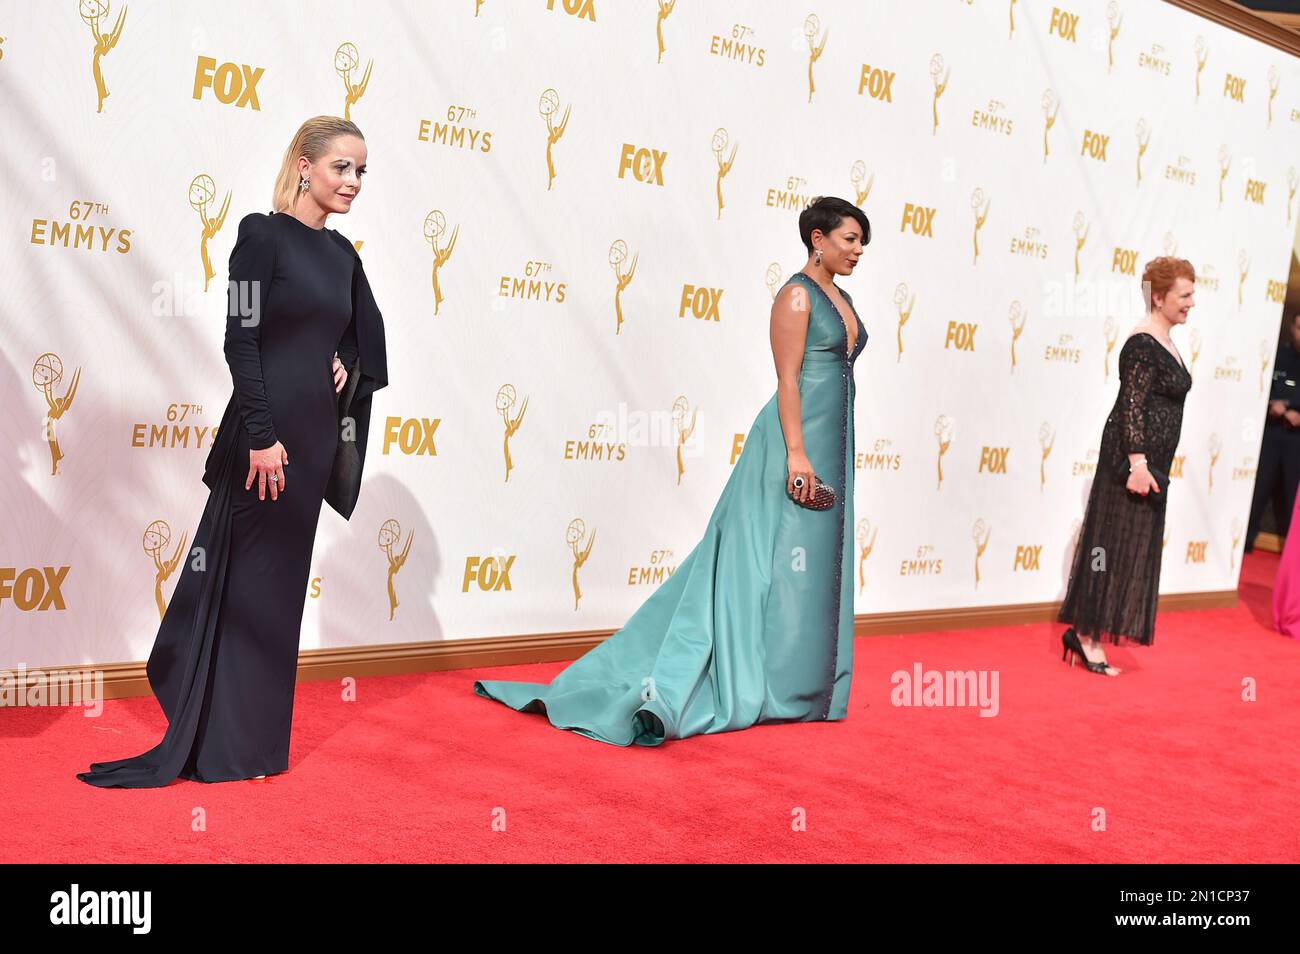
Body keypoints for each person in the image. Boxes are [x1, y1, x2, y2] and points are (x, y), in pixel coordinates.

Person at [473, 195, 869, 744]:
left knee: (812, 564)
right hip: (792, 442)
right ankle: (752, 685)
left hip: (833, 439)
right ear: (817, 239)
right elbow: (788, 379)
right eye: (850, 239)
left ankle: (801, 688)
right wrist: (796, 454)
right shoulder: (797, 297)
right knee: (764, 563)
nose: (858, 251)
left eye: (862, 243)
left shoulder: (842, 298)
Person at [77, 116, 388, 786]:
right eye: (342, 167)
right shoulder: (259, 236)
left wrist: (345, 356)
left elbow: (360, 334)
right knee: (245, 592)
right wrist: (262, 436)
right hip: (263, 443)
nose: (353, 182)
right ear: (304, 166)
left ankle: (254, 750)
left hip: (312, 445)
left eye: (361, 171)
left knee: (279, 600)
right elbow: (239, 338)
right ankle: (219, 747)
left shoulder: (344, 257)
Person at [1058, 257, 1194, 674]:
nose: (1191, 302)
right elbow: (1131, 405)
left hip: (1150, 466)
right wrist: (1137, 463)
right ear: (1159, 297)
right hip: (1130, 465)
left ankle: (1087, 630)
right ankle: (1086, 634)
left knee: (1126, 552)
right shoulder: (1142, 344)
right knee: (1107, 548)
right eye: (1184, 295)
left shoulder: (1165, 341)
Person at [1245, 311, 1300, 553]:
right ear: (1292, 328)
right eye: (1299, 328)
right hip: (1270, 431)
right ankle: (1244, 542)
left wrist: (1292, 409)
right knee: (1258, 488)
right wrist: (1276, 406)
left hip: (1297, 439)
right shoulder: (1277, 355)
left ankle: (1293, 553)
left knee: (1293, 496)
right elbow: (1260, 387)